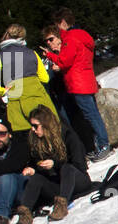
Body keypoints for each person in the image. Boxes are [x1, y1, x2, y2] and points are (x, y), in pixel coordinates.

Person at [43, 9, 110, 160]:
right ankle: (100, 144)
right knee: (91, 114)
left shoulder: (71, 38)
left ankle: (104, 145)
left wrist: (49, 55)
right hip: (85, 78)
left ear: (63, 23)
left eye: (57, 25)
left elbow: (64, 61)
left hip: (78, 82)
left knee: (91, 115)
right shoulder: (81, 35)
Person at [14, 105, 94, 224]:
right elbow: (34, 162)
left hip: (77, 180)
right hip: (57, 184)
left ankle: (62, 206)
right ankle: (25, 212)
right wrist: (33, 168)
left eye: (35, 126)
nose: (33, 129)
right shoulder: (37, 141)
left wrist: (55, 164)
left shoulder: (68, 136)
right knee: (36, 178)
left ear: (45, 124)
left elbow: (79, 165)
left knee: (67, 168)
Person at [0, 24, 56, 135]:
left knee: (23, 135)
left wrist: (1, 90)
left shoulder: (0, 55)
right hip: (38, 97)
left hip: (17, 99)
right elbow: (45, 78)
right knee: (48, 130)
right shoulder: (32, 53)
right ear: (22, 37)